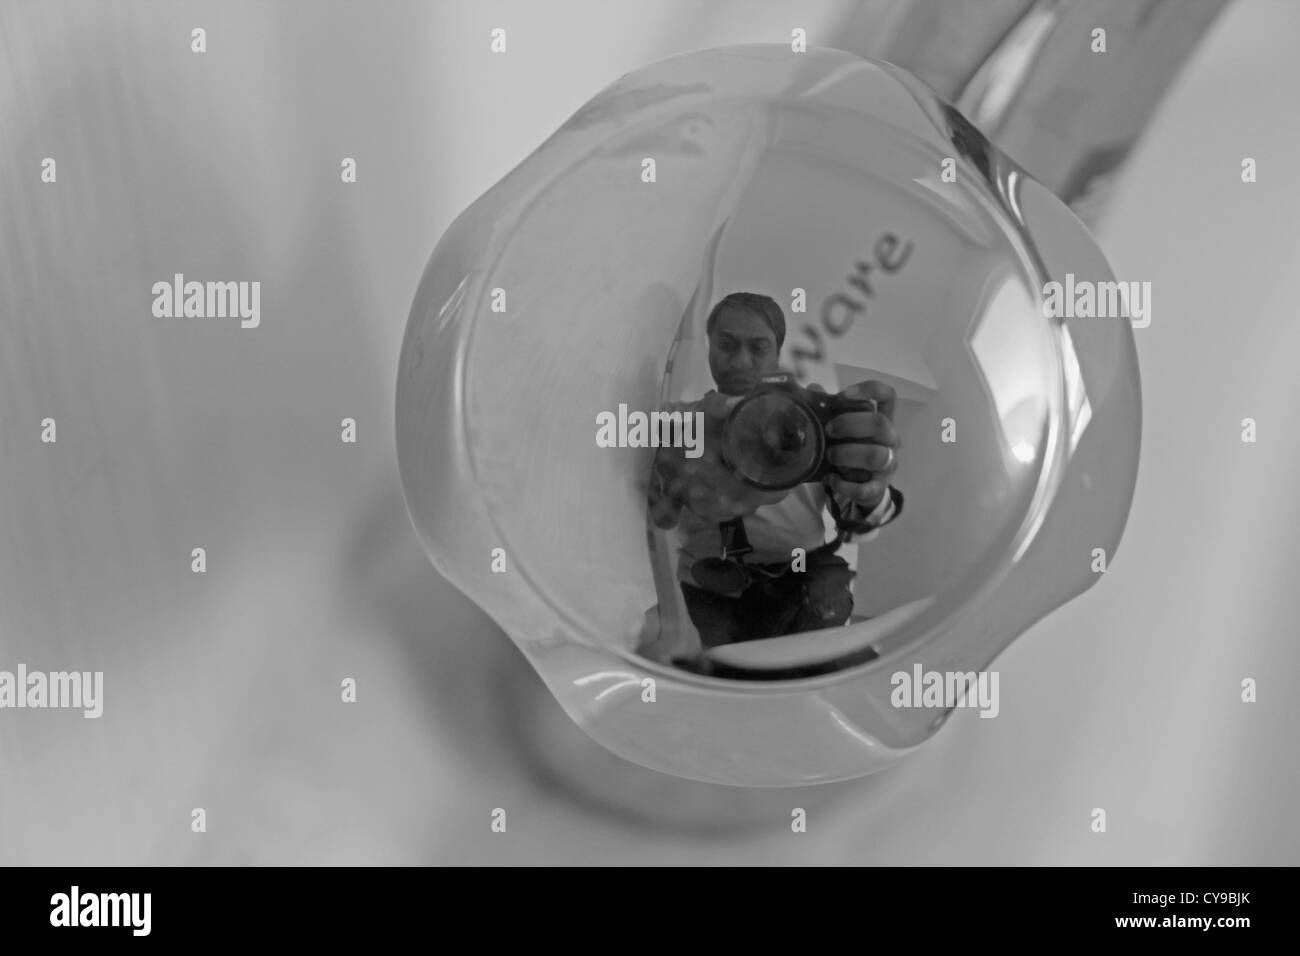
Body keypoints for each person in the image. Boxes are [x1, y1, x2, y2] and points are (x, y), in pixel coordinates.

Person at [648, 292, 904, 652]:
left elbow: (856, 521)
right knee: (711, 691)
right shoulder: (677, 422)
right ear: (708, 348)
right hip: (706, 591)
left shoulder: (808, 421)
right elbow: (653, 513)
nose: (740, 361)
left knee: (829, 684)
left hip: (803, 587)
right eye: (725, 344)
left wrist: (870, 493)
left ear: (777, 353)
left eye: (758, 347)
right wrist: (667, 475)